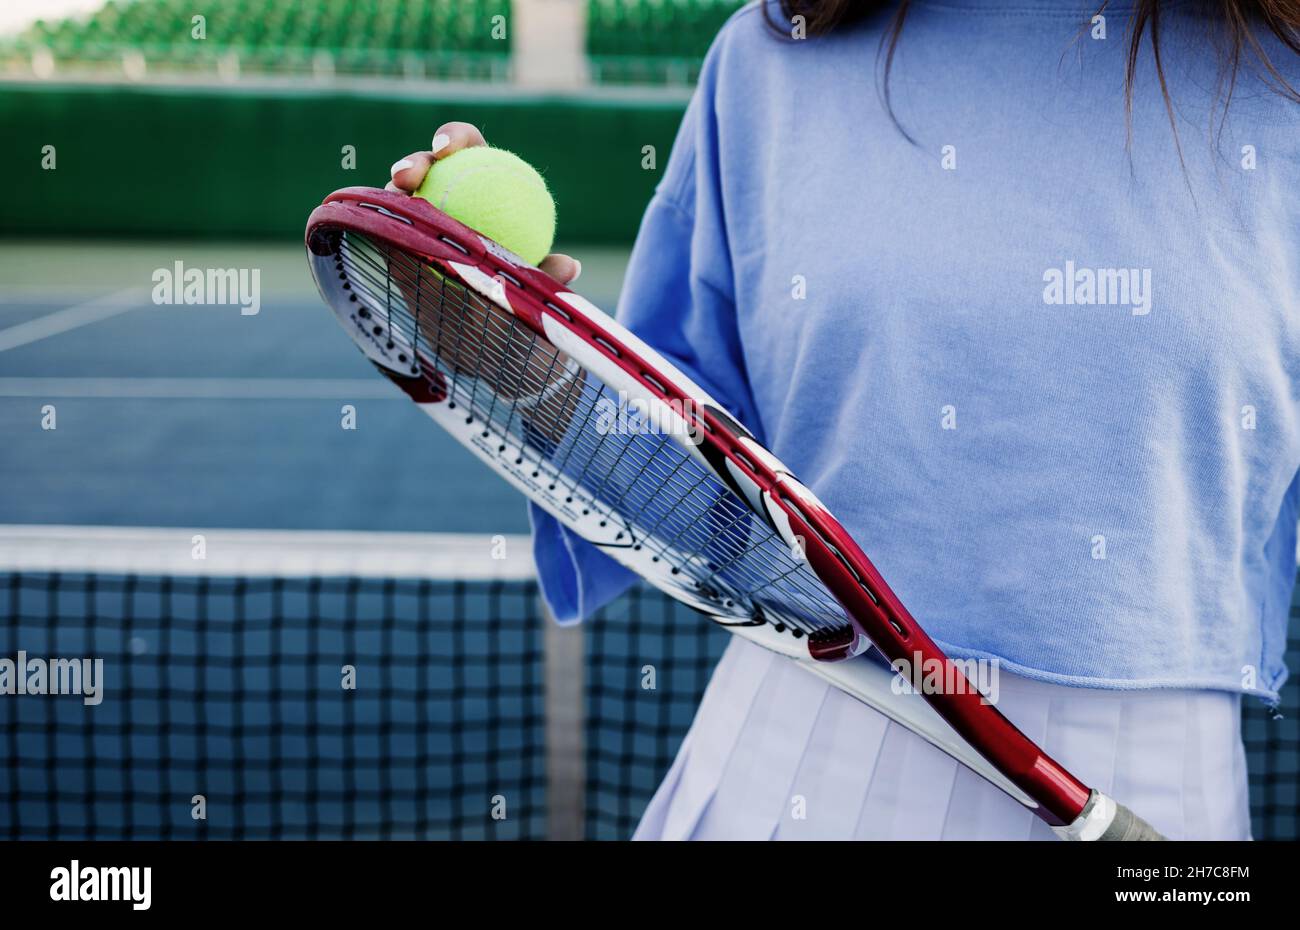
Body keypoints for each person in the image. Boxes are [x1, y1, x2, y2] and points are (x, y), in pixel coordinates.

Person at [387, 0, 1300, 839]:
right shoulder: (767, 58)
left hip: (1165, 797)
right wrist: (524, 368)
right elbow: (692, 485)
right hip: (797, 768)